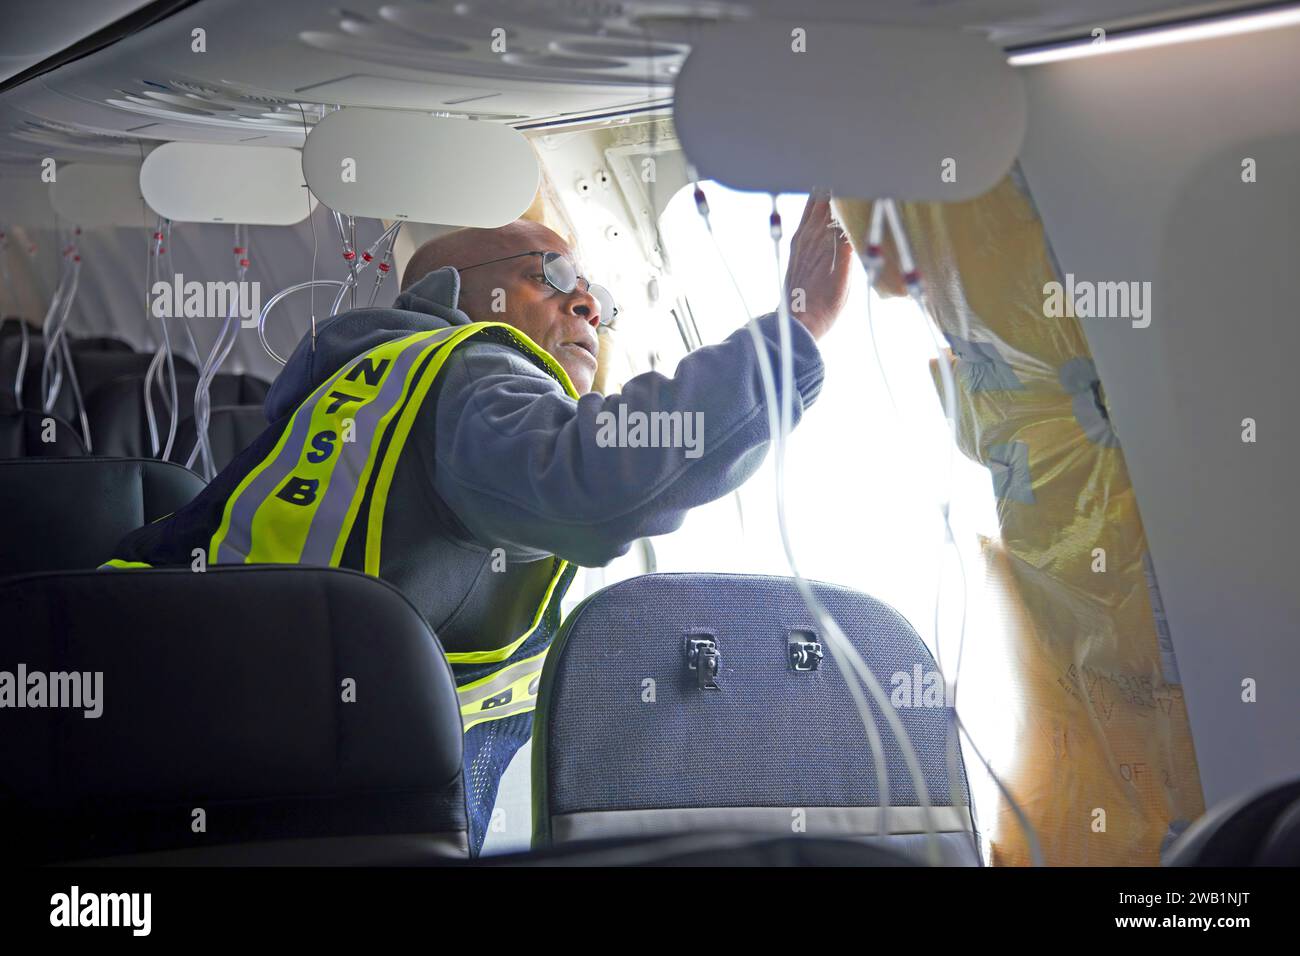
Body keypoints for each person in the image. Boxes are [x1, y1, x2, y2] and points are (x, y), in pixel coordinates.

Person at [106, 196, 853, 852]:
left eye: (599, 297)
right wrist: (796, 339)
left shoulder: (374, 380)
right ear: (448, 293)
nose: (589, 305)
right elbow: (593, 482)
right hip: (318, 792)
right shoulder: (467, 371)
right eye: (553, 276)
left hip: (188, 728)